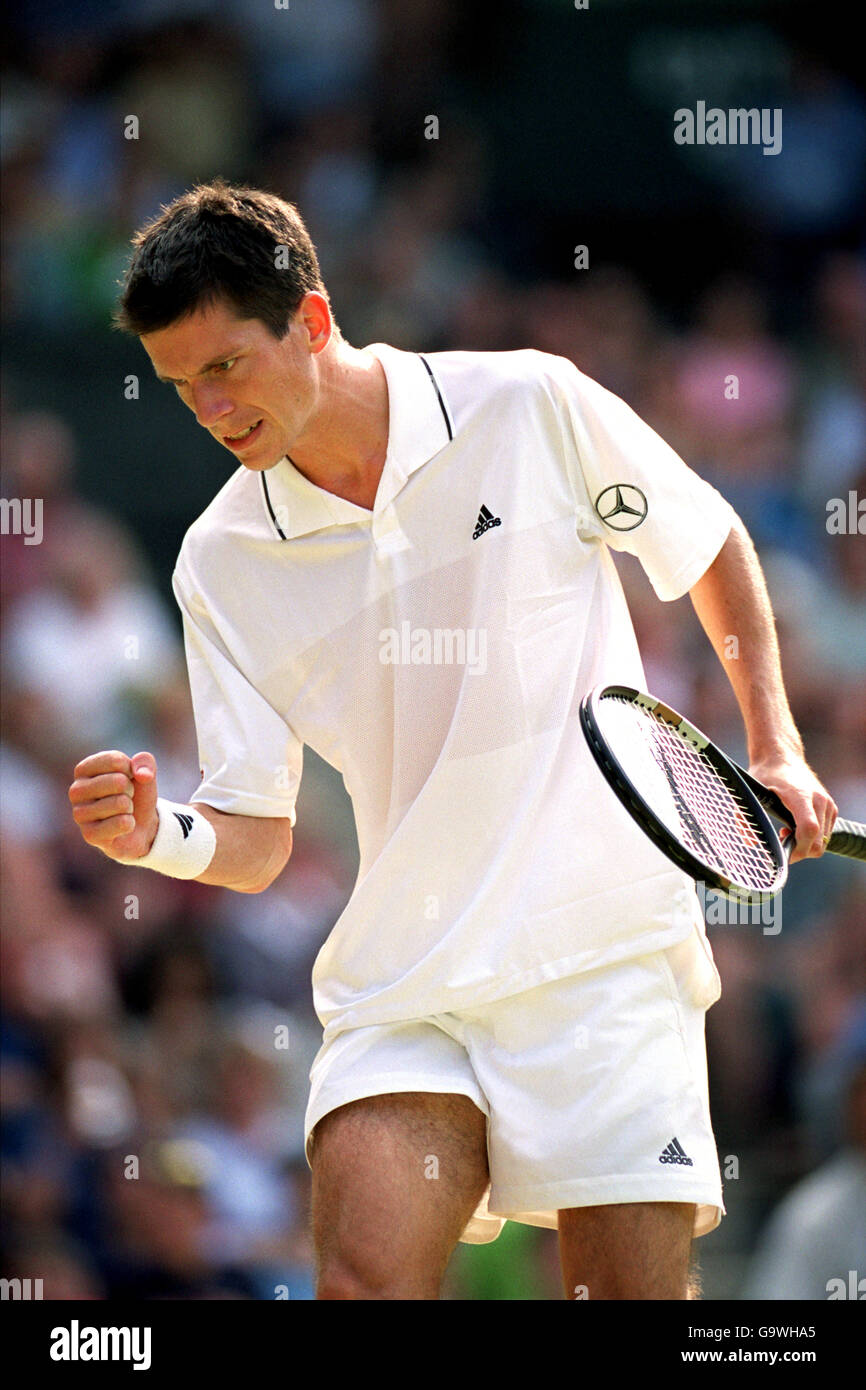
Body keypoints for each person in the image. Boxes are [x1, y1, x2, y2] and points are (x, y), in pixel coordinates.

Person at [68, 181, 838, 1300]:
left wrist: (776, 748)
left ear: (313, 321)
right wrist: (158, 836)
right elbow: (254, 834)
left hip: (606, 965)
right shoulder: (218, 564)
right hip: (408, 985)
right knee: (362, 1281)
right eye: (181, 385)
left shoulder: (528, 404)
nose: (208, 408)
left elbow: (706, 542)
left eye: (225, 366)